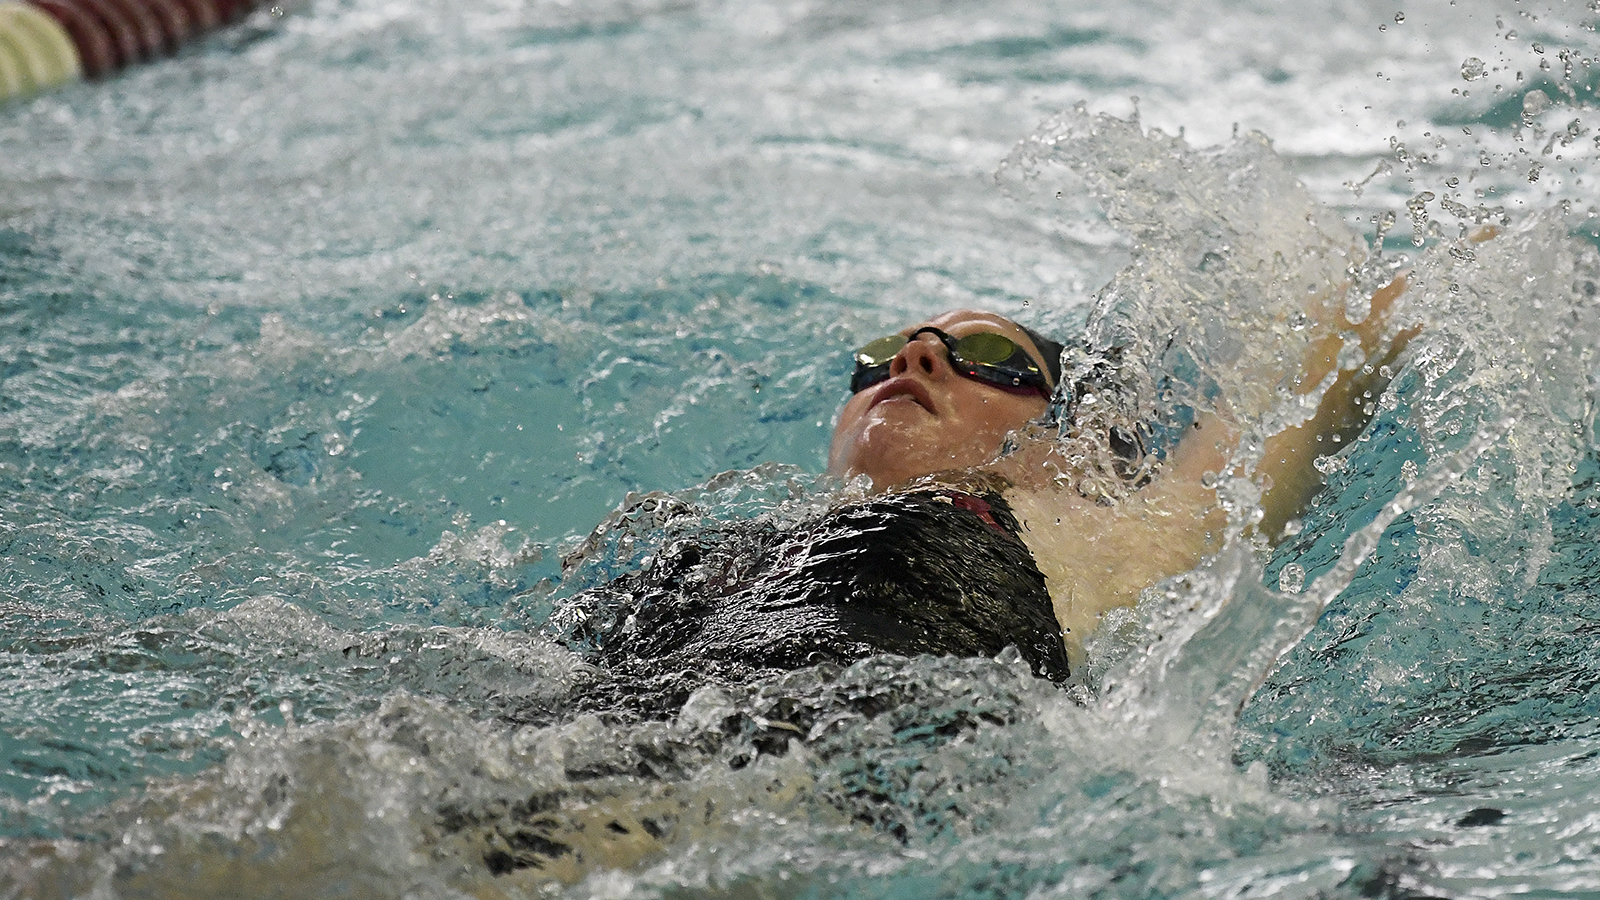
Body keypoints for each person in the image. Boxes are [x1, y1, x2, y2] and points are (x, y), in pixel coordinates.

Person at [553, 281, 1413, 711]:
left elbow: (1311, 376)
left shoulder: (1090, 527)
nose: (912, 359)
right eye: (888, 352)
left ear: (1076, 450)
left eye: (990, 359)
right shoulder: (723, 548)